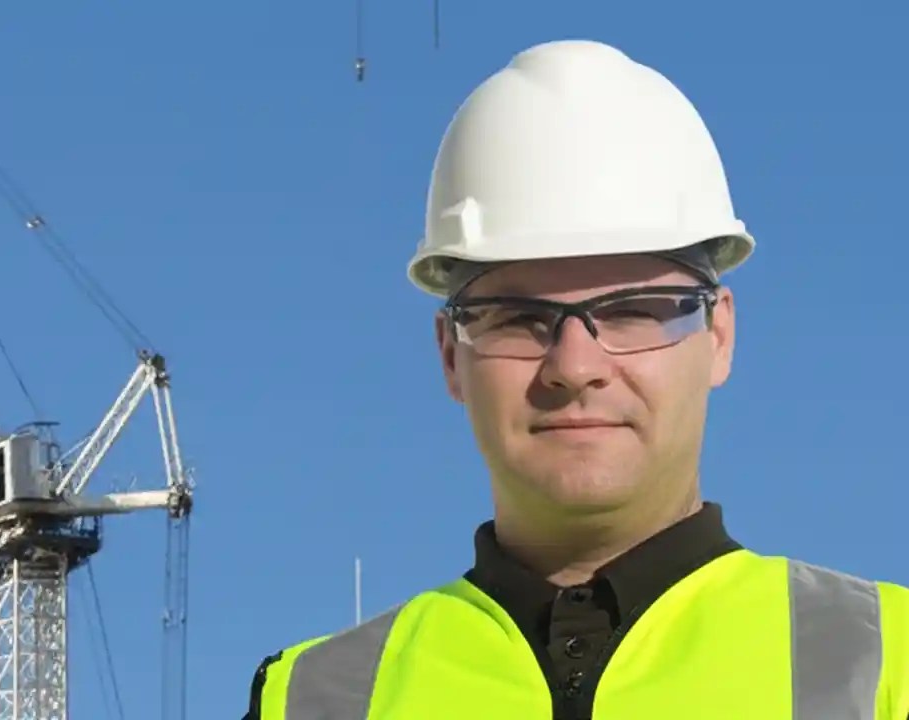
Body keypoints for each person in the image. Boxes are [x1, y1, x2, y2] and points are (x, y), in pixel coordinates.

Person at [241, 39, 909, 719]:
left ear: (719, 335)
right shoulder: (317, 697)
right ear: (450, 356)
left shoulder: (886, 661)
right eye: (518, 318)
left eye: (633, 311)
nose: (575, 367)